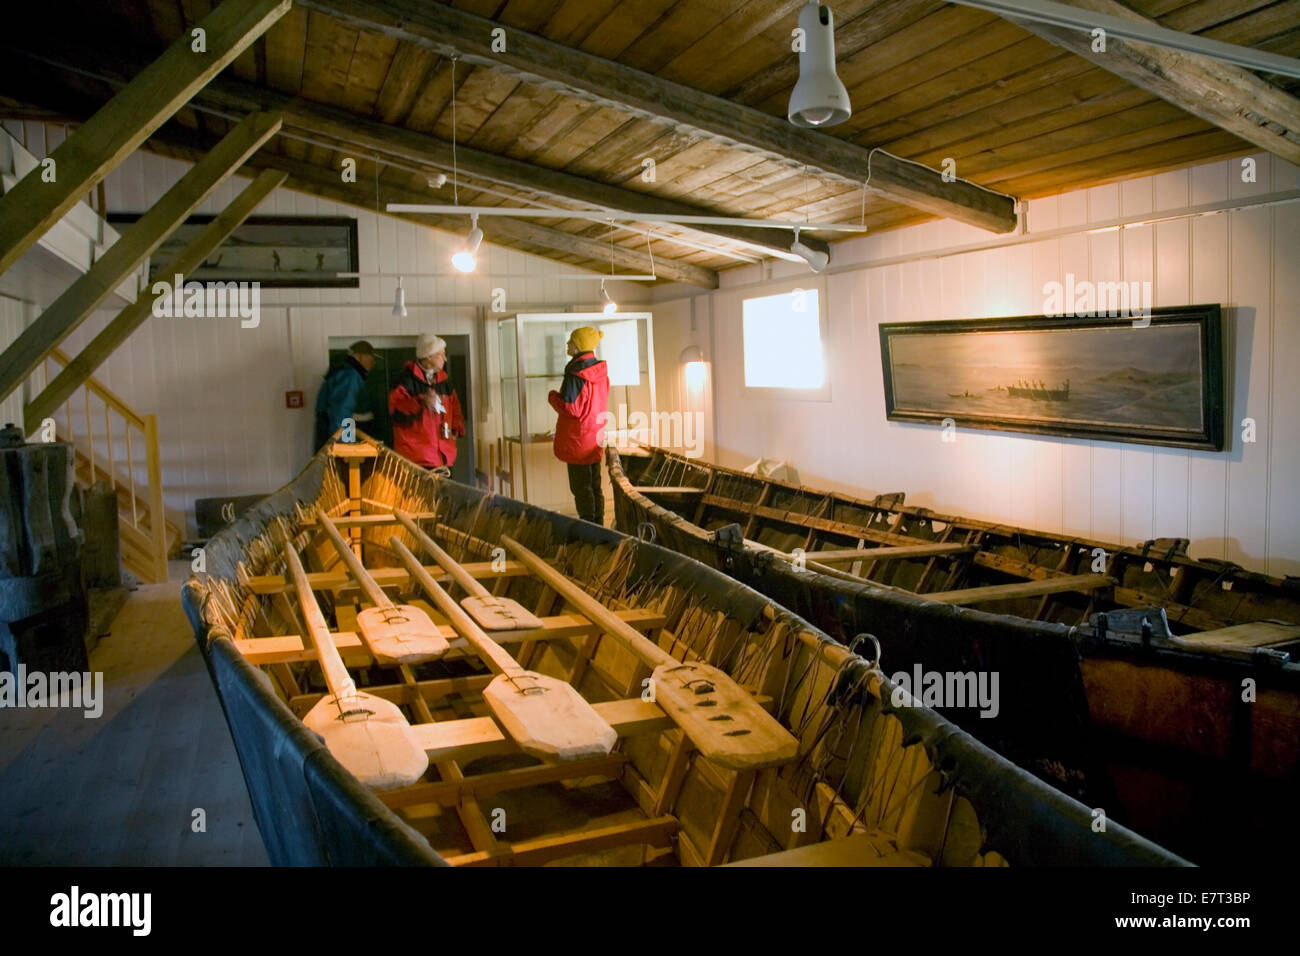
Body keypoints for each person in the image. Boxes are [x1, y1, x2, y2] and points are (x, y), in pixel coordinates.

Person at [548, 326, 609, 525]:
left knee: (581, 488)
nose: (568, 344)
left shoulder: (576, 374)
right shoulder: (600, 373)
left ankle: (589, 529)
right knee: (594, 485)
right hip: (594, 436)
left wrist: (552, 397)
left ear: (579, 345)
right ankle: (599, 525)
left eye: (571, 341)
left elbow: (570, 407)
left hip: (577, 439)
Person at [389, 332, 464, 471]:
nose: (445, 359)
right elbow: (396, 412)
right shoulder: (405, 380)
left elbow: (455, 408)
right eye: (441, 355)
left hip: (443, 458)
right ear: (429, 356)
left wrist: (456, 429)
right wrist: (421, 403)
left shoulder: (445, 381)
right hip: (415, 459)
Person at [314, 340, 377, 450]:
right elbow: (342, 411)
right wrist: (346, 446)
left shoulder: (347, 373)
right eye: (370, 357)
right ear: (359, 357)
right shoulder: (350, 377)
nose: (373, 361)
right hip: (343, 446)